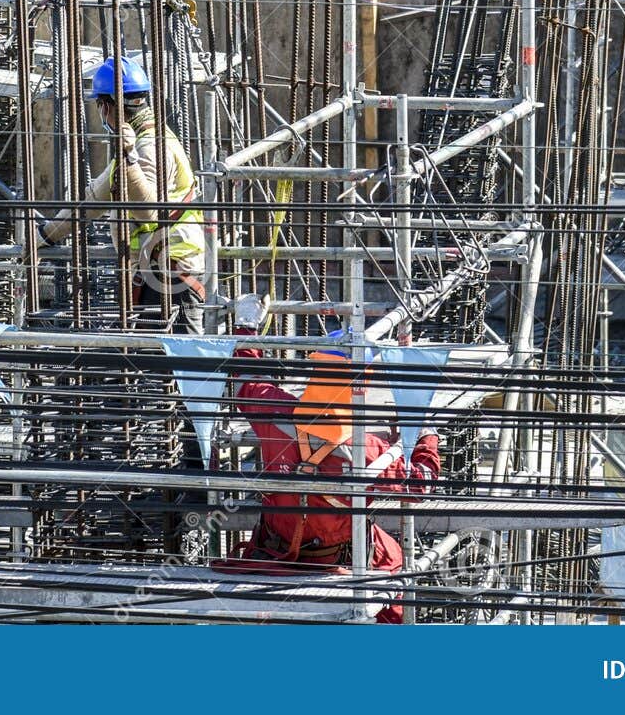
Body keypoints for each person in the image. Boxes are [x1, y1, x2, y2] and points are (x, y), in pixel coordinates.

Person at [217, 341, 441, 623]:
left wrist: (247, 331)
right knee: (394, 571)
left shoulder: (275, 413)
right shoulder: (367, 450)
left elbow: (246, 381)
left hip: (271, 553)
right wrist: (423, 432)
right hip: (336, 563)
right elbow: (423, 484)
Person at [41, 56, 206, 333]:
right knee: (153, 361)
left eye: (99, 106)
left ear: (106, 106)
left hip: (170, 270)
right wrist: (45, 236)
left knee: (182, 363)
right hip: (155, 269)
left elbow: (148, 210)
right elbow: (93, 200)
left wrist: (129, 158)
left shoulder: (147, 146)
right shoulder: (141, 140)